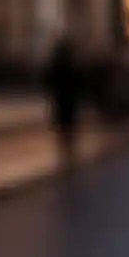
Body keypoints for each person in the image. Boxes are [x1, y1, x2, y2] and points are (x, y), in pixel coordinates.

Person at [44, 38, 86, 171]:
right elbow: (79, 85)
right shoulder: (73, 67)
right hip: (69, 101)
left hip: (60, 101)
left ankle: (64, 153)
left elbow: (49, 83)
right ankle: (70, 152)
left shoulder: (55, 66)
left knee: (62, 128)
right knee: (69, 128)